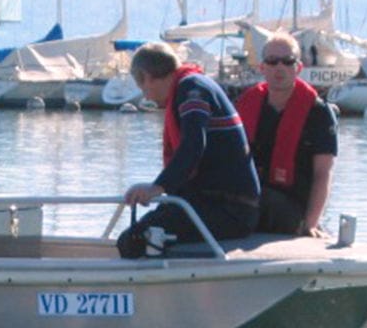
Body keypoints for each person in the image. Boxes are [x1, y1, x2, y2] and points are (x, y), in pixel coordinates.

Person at [118, 42, 260, 259]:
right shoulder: (192, 84)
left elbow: (193, 145)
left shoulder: (192, 89)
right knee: (143, 231)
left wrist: (158, 186)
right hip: (215, 202)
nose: (146, 96)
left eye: (142, 87)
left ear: (147, 76)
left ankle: (157, 290)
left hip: (230, 209)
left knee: (133, 240)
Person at [236, 31, 338, 236]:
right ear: (262, 68)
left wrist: (310, 224)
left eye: (287, 61)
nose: (279, 68)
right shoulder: (246, 105)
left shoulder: (319, 113)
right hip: (249, 199)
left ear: (298, 68)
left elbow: (322, 173)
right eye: (272, 61)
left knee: (262, 199)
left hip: (292, 207)